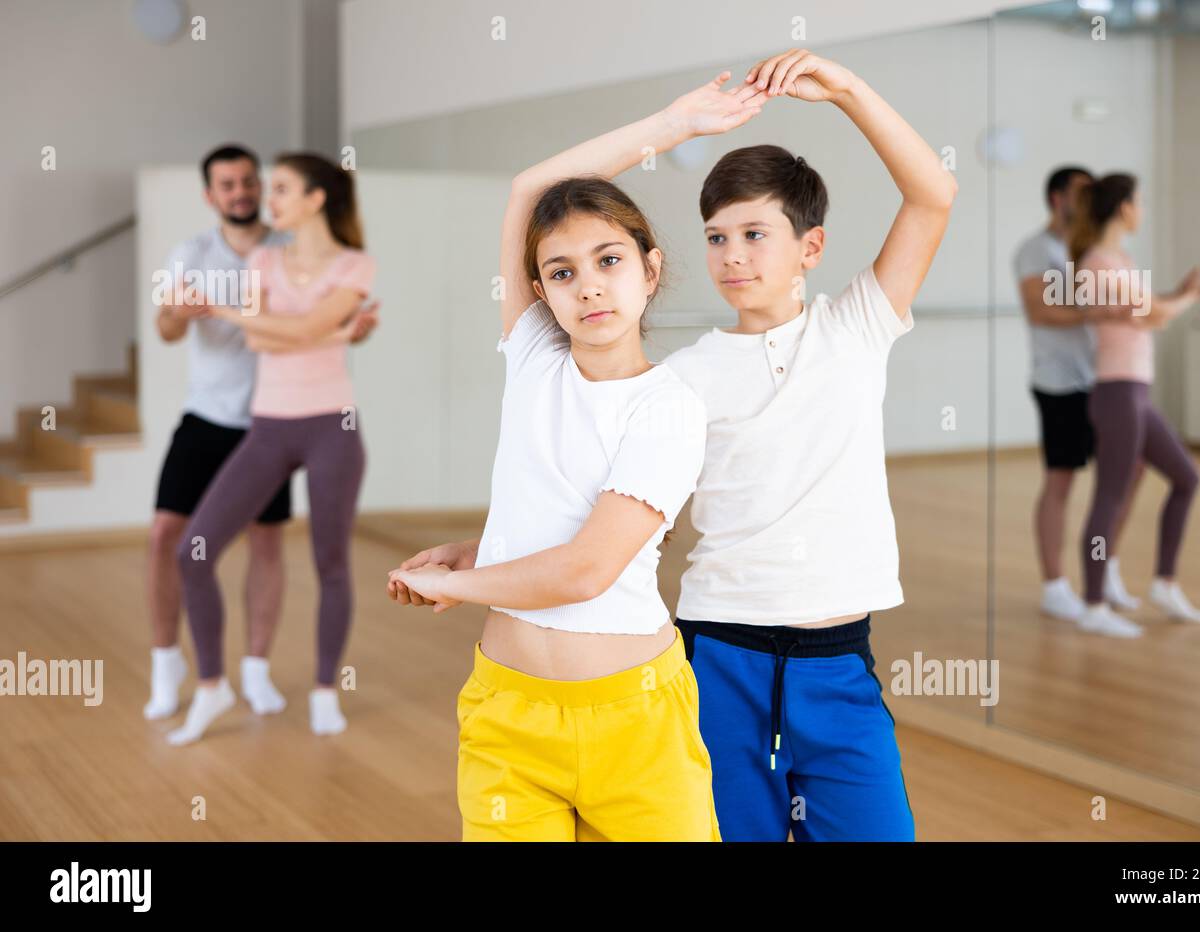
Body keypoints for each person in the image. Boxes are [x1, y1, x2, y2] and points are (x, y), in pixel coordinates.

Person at [388, 71, 769, 841]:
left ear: (650, 270)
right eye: (563, 274)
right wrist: (480, 550)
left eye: (609, 261)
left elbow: (587, 569)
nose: (588, 288)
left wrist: (459, 583)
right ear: (541, 292)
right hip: (507, 715)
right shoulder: (533, 354)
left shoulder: (668, 407)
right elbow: (531, 190)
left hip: (636, 724)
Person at [662, 49, 955, 841]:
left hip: (838, 666)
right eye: (717, 237)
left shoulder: (857, 328)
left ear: (810, 249)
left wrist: (850, 91)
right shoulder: (684, 376)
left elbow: (934, 195)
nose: (732, 256)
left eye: (755, 233)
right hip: (719, 662)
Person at [147, 145, 375, 721]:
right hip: (226, 419)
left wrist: (321, 328)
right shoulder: (215, 257)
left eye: (269, 185)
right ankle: (182, 669)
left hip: (317, 421)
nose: (254, 194)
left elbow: (298, 329)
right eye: (236, 184)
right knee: (181, 545)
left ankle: (298, 682)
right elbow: (258, 337)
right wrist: (331, 329)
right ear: (211, 195)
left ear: (313, 199)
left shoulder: (340, 260)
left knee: (310, 554)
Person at [1072, 173, 1200, 633]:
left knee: (1187, 477)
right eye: (1141, 201)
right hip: (1116, 394)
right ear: (1124, 208)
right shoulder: (1098, 264)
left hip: (1135, 393)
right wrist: (1187, 297)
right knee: (1110, 495)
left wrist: (1173, 297)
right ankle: (1093, 604)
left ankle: (1164, 582)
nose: (1144, 209)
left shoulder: (1120, 260)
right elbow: (1155, 315)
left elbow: (1148, 313)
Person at [1013, 165, 1144, 632]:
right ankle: (1055, 587)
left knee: (1128, 472)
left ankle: (1102, 566)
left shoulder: (1093, 250)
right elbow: (1040, 310)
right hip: (1060, 385)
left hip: (1104, 380)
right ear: (1057, 199)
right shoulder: (1037, 250)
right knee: (1061, 481)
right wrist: (1100, 310)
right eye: (1080, 192)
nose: (1089, 199)